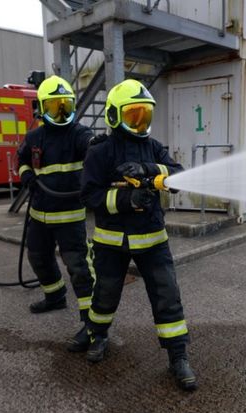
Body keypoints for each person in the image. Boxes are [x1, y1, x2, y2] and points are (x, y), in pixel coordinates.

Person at [80, 79, 197, 391]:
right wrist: (124, 200)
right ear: (115, 116)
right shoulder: (100, 152)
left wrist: (148, 168)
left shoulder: (153, 147)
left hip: (152, 239)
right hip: (110, 242)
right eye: (134, 115)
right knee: (104, 294)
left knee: (167, 295)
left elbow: (179, 175)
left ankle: (178, 356)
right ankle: (98, 335)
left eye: (145, 115)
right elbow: (89, 195)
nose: (141, 122)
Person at [17, 75, 95, 352]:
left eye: (65, 106)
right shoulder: (34, 136)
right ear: (42, 108)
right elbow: (22, 159)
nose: (61, 112)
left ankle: (92, 325)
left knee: (80, 269)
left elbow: (92, 145)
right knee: (37, 256)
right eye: (54, 107)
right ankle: (55, 296)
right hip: (39, 212)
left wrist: (101, 149)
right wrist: (26, 175)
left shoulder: (79, 134)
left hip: (70, 215)